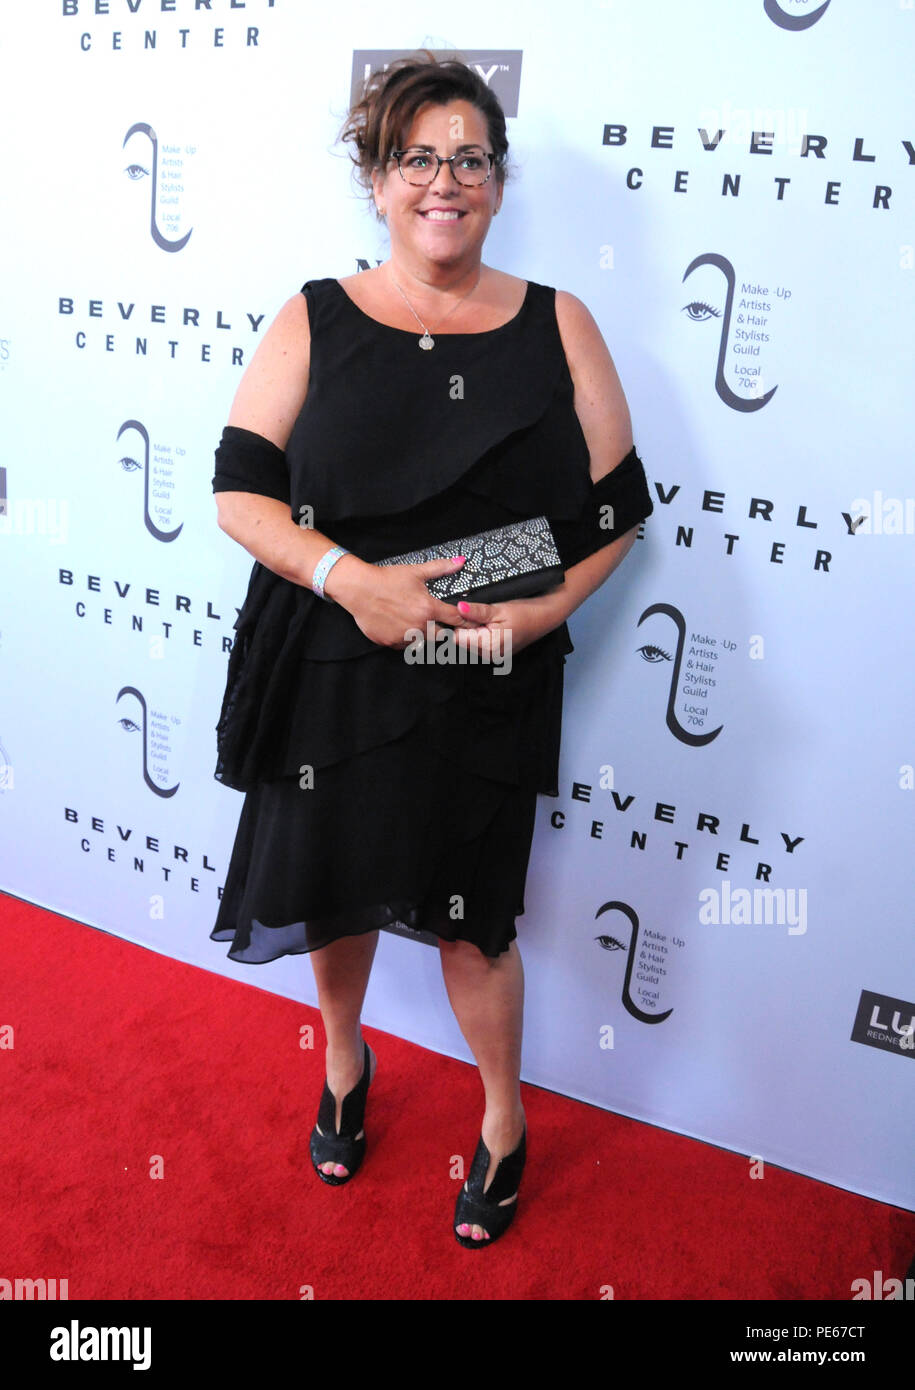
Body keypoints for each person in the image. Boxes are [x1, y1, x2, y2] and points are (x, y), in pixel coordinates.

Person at [209, 52, 653, 1249]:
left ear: (498, 185)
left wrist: (543, 612)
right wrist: (351, 579)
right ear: (377, 178)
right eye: (417, 158)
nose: (442, 182)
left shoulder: (561, 320)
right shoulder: (315, 315)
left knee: (475, 922)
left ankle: (505, 1120)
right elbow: (238, 494)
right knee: (334, 887)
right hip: (338, 655)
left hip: (483, 664)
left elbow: (620, 507)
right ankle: (345, 1066)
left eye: (467, 159)